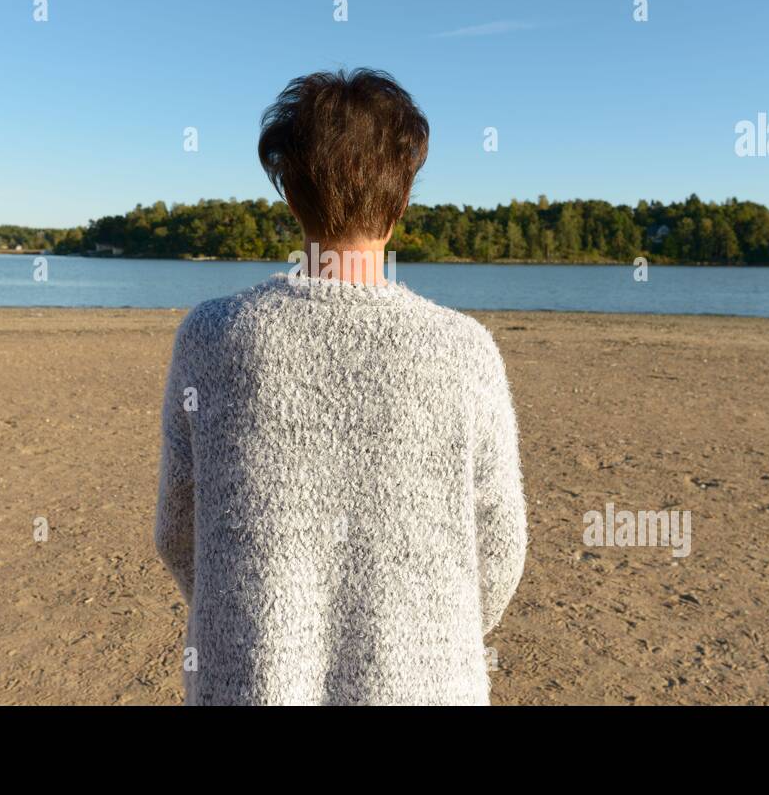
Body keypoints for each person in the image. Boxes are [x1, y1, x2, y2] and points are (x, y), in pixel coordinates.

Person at [154, 68, 527, 704]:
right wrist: (432, 636)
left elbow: (178, 531)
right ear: (403, 199)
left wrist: (247, 621)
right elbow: (498, 547)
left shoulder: (212, 337)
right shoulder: (465, 351)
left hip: (249, 683)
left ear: (289, 193)